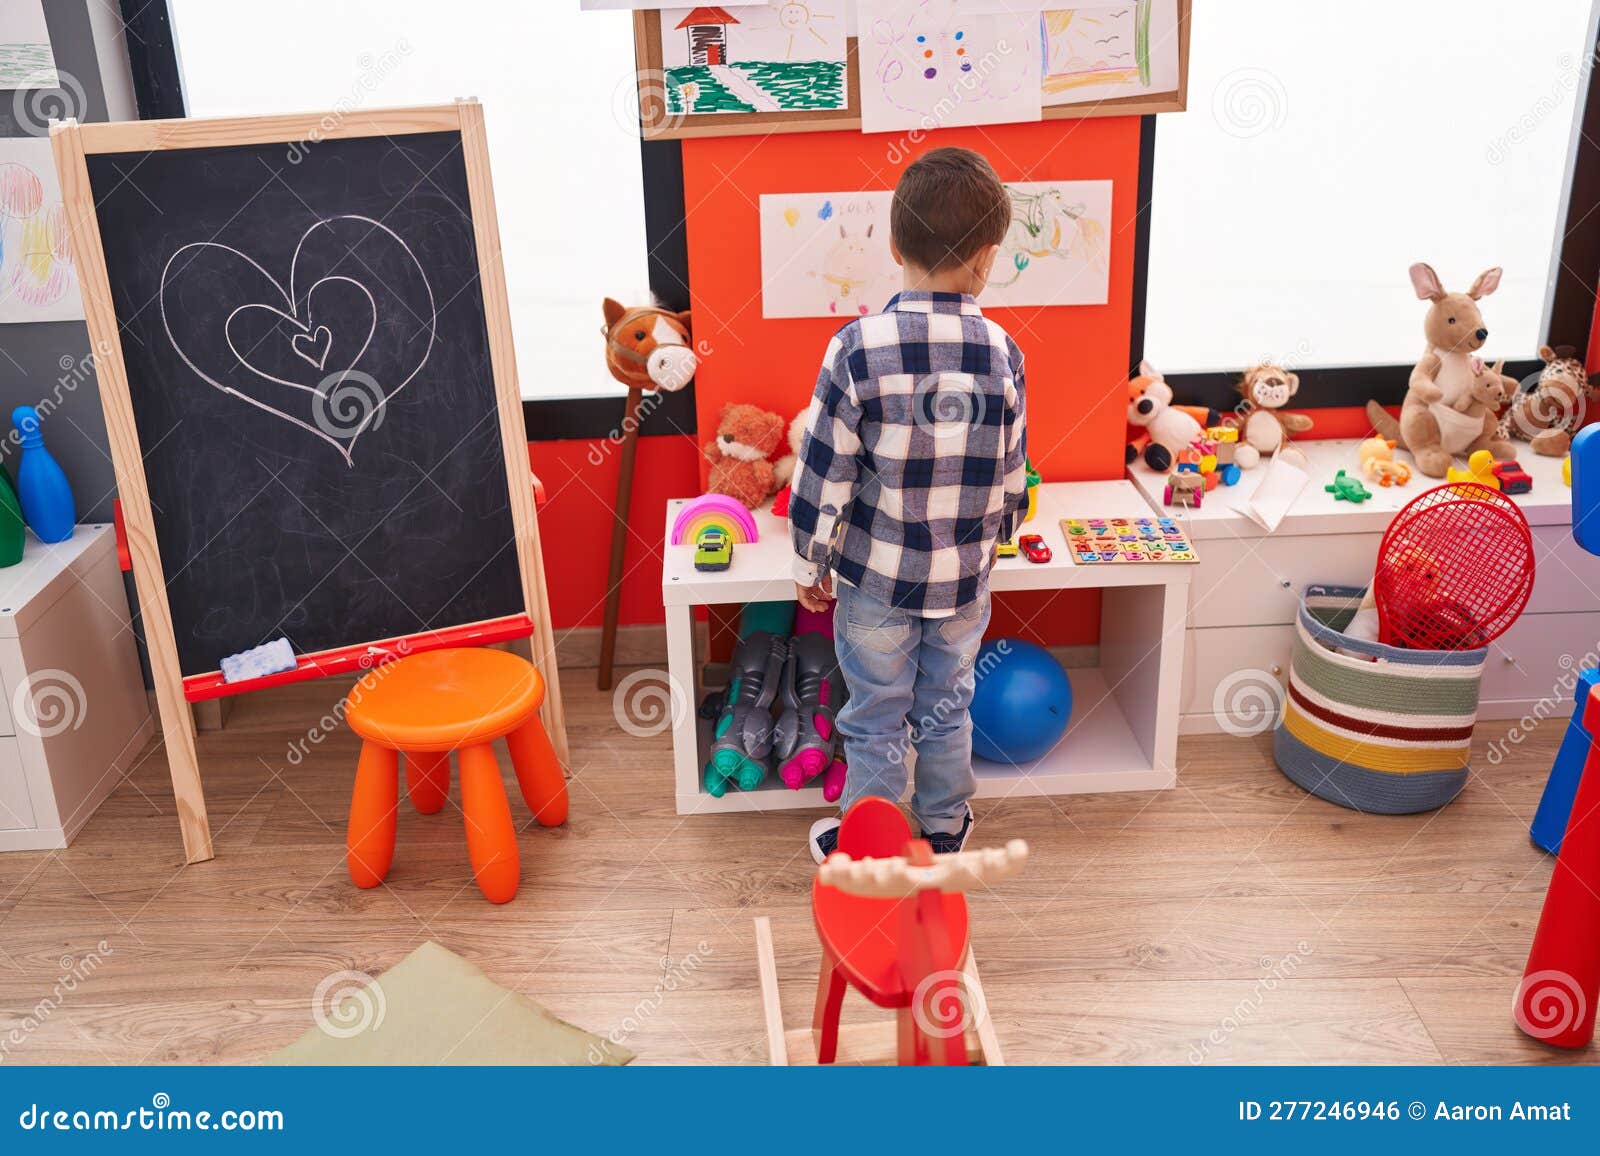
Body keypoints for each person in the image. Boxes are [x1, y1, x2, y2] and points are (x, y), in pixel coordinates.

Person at [789, 146, 1029, 863]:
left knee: (875, 716)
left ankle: (868, 841)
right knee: (947, 706)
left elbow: (823, 470)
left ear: (894, 244)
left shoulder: (857, 347)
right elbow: (1011, 467)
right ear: (988, 258)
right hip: (961, 581)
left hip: (877, 585)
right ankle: (946, 828)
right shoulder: (1002, 350)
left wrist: (811, 558)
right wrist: (1002, 536)